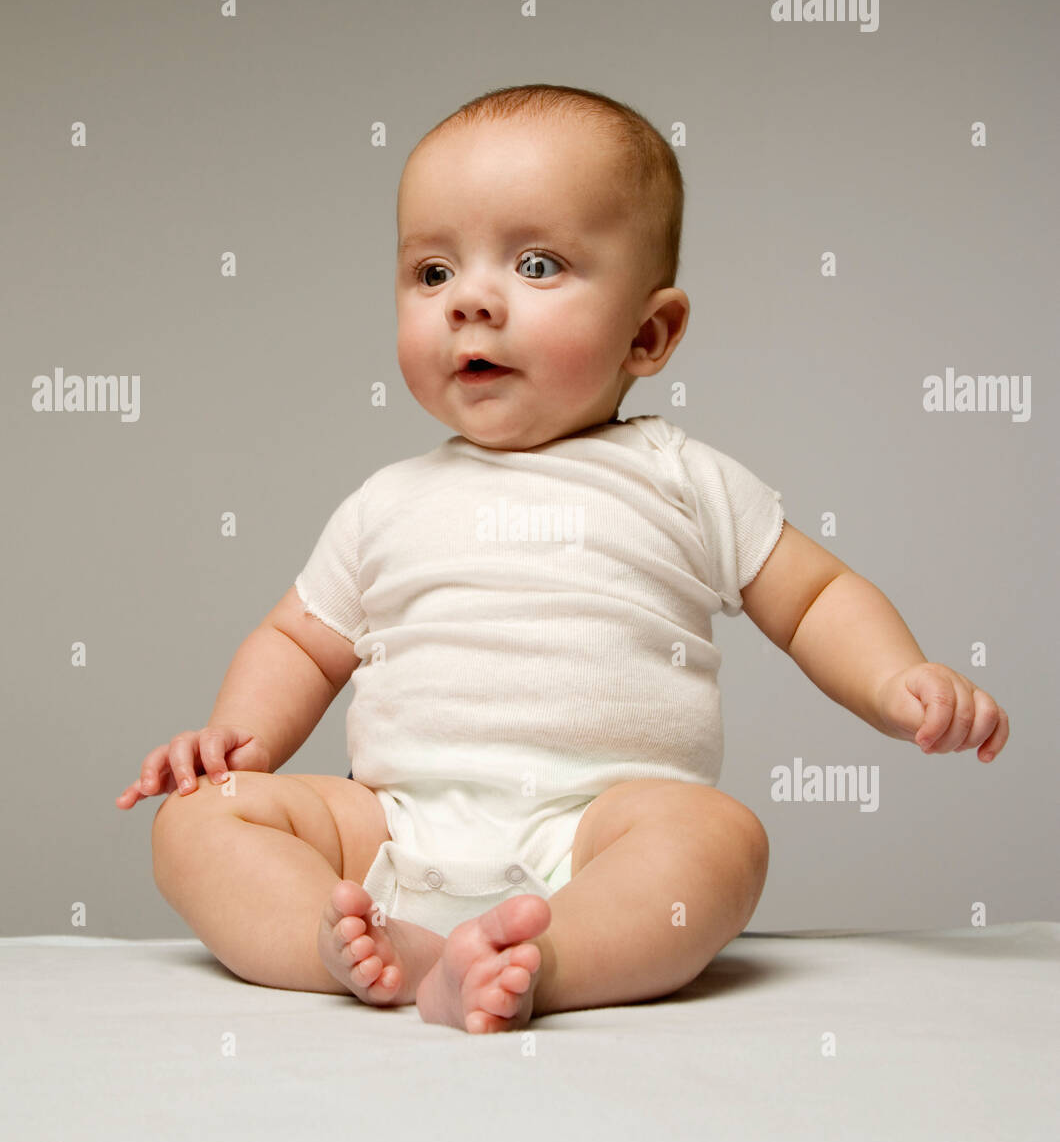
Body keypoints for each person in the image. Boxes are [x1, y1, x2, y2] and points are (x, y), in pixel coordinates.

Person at [117, 83, 1009, 1034]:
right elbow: (299, 643)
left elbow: (815, 595)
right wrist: (234, 740)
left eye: (536, 264)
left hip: (598, 836)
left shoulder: (678, 476)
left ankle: (546, 958)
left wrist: (897, 677)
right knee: (200, 819)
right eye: (431, 273)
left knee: (717, 839)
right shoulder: (385, 502)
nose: (471, 301)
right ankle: (348, 945)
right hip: (394, 824)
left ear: (649, 332)